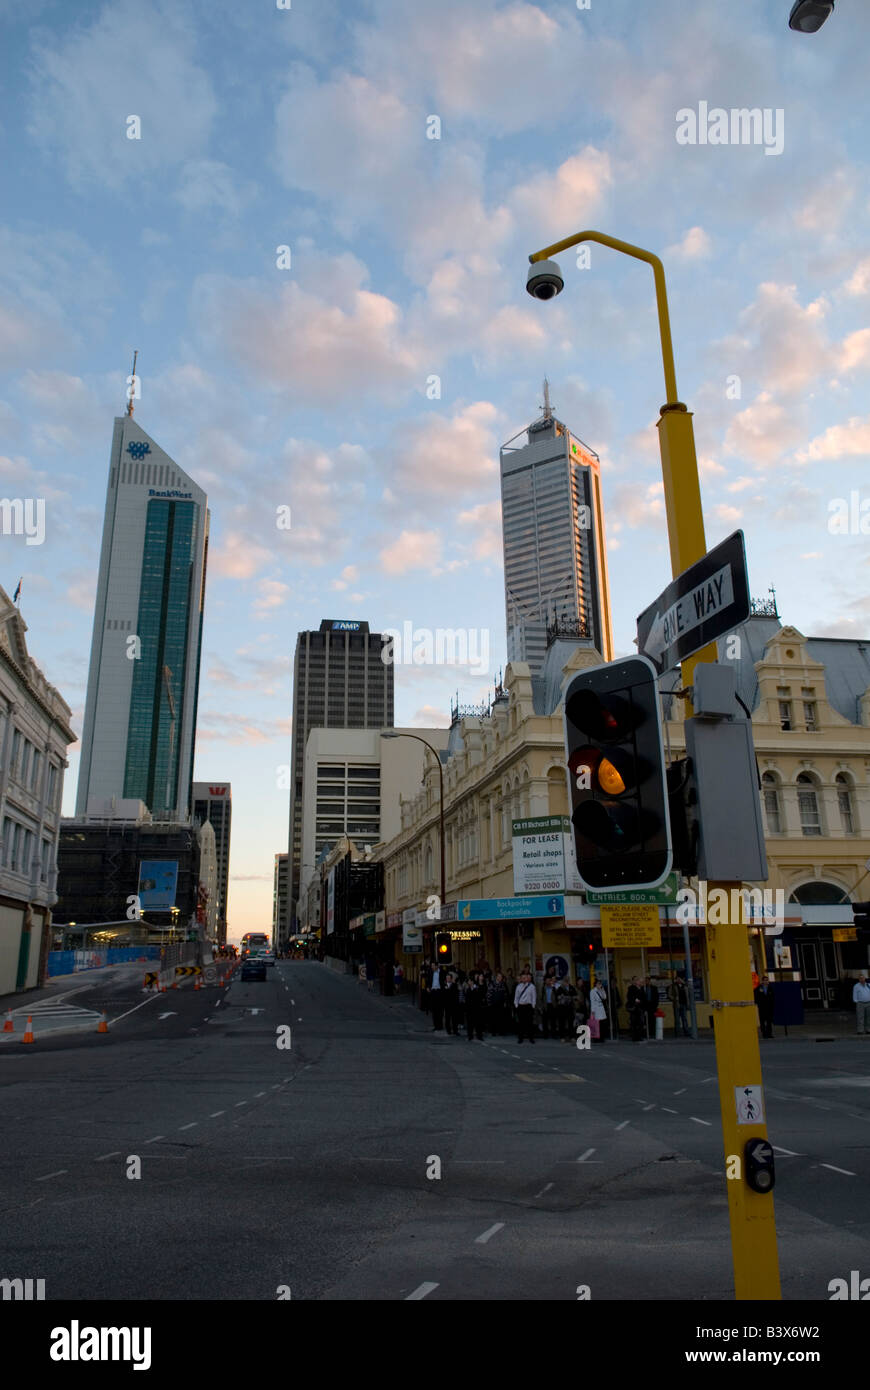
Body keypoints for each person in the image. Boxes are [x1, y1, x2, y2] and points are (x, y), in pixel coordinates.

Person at [514, 969, 537, 1044]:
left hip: (528, 1006)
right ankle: (520, 1038)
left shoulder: (532, 986)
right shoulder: (518, 987)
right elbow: (516, 997)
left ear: (527, 978)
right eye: (522, 978)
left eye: (525, 978)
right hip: (521, 1006)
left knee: (529, 1023)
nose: (524, 979)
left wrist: (533, 1006)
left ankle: (531, 1038)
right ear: (521, 979)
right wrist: (516, 1005)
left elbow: (534, 997)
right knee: (521, 1023)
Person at [464, 973, 486, 1041]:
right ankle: (470, 1036)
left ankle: (479, 1036)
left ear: (472, 982)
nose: (469, 982)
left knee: (478, 1023)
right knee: (470, 1023)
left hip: (477, 1008)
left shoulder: (477, 988)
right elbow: (466, 999)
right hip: (470, 1009)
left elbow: (479, 998)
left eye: (470, 981)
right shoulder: (468, 989)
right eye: (468, 981)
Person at [754, 974, 776, 1039]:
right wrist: (758, 1003)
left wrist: (772, 1004)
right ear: (762, 981)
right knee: (762, 1021)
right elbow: (756, 996)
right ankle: (764, 1034)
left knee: (769, 1021)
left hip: (769, 1007)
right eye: (765, 980)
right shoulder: (759, 988)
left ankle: (769, 1034)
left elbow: (772, 997)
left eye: (767, 980)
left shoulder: (770, 988)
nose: (766, 982)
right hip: (762, 1007)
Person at [671, 972, 691, 1038]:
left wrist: (688, 1003)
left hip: (684, 1004)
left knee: (684, 1018)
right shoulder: (673, 986)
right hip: (677, 1005)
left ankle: (686, 1032)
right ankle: (677, 1033)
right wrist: (674, 998)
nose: (679, 980)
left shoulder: (685, 986)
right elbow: (669, 994)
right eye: (677, 979)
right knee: (677, 1019)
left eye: (680, 979)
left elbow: (688, 994)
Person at [626, 976, 645, 1042]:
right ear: (633, 981)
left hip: (640, 1007)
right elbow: (629, 997)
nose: (638, 981)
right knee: (634, 1023)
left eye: (638, 980)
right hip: (634, 1008)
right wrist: (635, 1000)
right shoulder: (631, 988)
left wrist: (641, 1002)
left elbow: (643, 997)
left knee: (641, 1023)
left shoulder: (641, 988)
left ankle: (639, 1036)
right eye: (636, 980)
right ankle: (634, 1037)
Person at [541, 971, 559, 1039]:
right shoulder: (543, 988)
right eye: (547, 980)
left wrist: (556, 1006)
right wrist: (541, 1006)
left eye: (549, 980)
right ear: (545, 981)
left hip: (552, 1005)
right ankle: (545, 1035)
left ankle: (553, 1034)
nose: (548, 981)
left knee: (553, 1021)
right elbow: (541, 997)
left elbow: (556, 997)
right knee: (545, 1021)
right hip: (545, 1005)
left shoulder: (553, 988)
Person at [430, 962, 445, 1031]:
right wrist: (428, 987)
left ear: (437, 966)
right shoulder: (430, 972)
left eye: (433, 966)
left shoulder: (442, 972)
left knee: (440, 1009)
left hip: (439, 992)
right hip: (433, 992)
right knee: (434, 1010)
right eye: (431, 966)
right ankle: (435, 1025)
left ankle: (440, 1025)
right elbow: (429, 981)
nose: (432, 967)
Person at [643, 976, 659, 1041]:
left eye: (647, 980)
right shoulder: (644, 988)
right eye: (645, 981)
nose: (646, 982)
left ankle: (653, 1032)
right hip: (647, 1006)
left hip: (653, 1005)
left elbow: (656, 997)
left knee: (653, 1019)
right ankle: (648, 1032)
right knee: (647, 1019)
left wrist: (655, 1005)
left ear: (650, 981)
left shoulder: (654, 988)